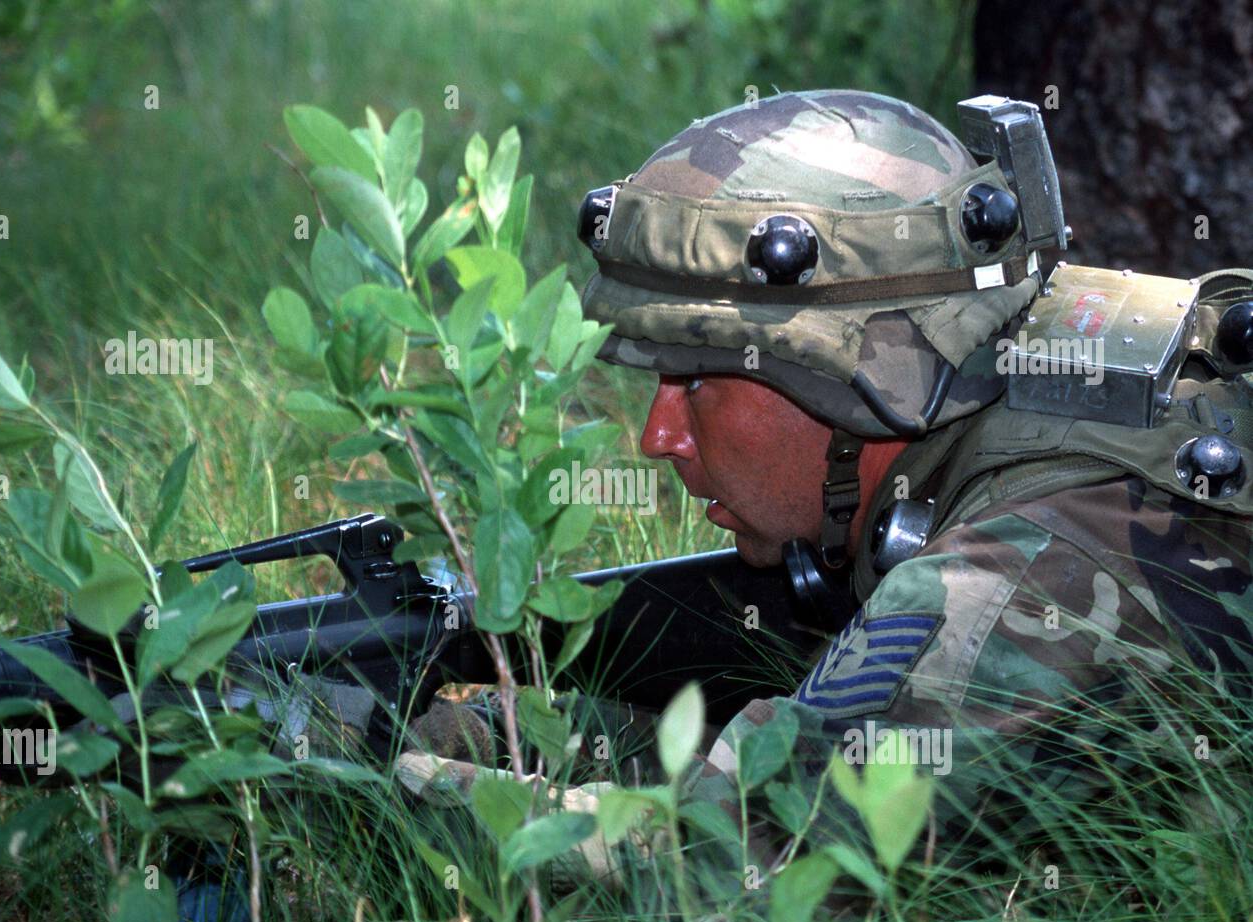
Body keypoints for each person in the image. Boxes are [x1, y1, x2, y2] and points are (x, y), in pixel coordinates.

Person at [403, 89, 1253, 875]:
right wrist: (478, 726)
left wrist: (373, 777)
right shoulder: (1039, 375)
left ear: (846, 375)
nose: (656, 438)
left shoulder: (1005, 585)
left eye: (694, 380)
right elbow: (780, 733)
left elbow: (717, 866)